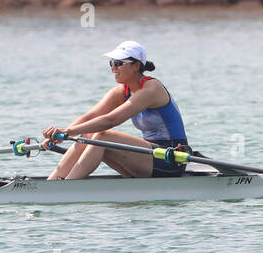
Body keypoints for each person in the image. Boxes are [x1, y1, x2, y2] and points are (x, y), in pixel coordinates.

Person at [41, 40, 191, 180]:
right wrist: (61, 133)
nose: (113, 67)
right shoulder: (121, 92)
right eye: (112, 63)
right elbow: (90, 116)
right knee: (87, 133)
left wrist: (67, 133)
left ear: (136, 66)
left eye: (119, 63)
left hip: (172, 158)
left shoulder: (152, 89)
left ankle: (66, 187)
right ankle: (53, 182)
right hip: (150, 157)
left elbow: (111, 120)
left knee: (102, 136)